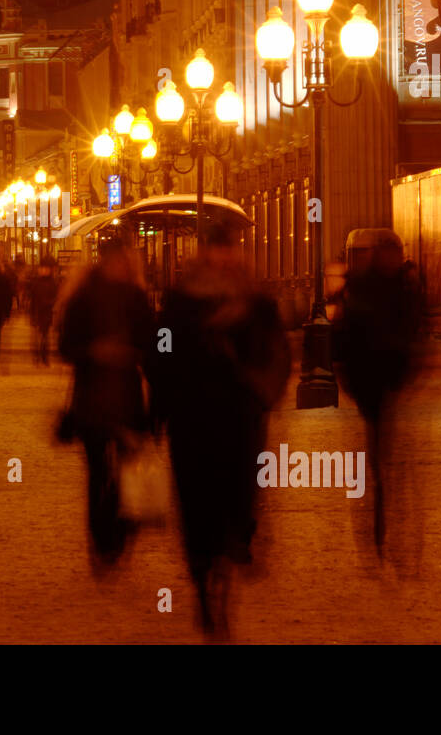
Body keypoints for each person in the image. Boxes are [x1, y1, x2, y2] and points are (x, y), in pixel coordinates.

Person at [151, 224, 291, 641]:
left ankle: (222, 585)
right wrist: (158, 407)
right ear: (204, 254)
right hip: (191, 419)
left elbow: (277, 352)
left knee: (237, 502)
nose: (224, 259)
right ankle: (201, 584)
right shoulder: (179, 303)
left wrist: (264, 393)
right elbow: (159, 352)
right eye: (217, 251)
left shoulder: (256, 302)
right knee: (195, 506)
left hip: (240, 418)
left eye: (230, 250)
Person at [57, 236, 155, 572]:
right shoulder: (83, 297)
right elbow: (66, 346)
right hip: (92, 401)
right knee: (98, 473)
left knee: (128, 474)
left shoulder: (136, 297)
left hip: (127, 400)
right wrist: (95, 352)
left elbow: (154, 345)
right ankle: (100, 541)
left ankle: (120, 533)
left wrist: (143, 357)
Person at [332, 243, 425, 558]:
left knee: (380, 455)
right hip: (377, 384)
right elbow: (411, 333)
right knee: (383, 456)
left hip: (375, 384)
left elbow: (342, 340)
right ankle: (381, 514)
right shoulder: (390, 289)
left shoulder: (372, 288)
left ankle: (380, 514)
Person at [28, 256, 58, 366]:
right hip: (37, 312)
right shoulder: (36, 282)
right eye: (42, 268)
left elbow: (55, 297)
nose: (43, 270)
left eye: (46, 269)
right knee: (37, 336)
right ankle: (37, 356)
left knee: (45, 336)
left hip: (46, 312)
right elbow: (32, 298)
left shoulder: (53, 283)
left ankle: (44, 357)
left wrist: (49, 303)